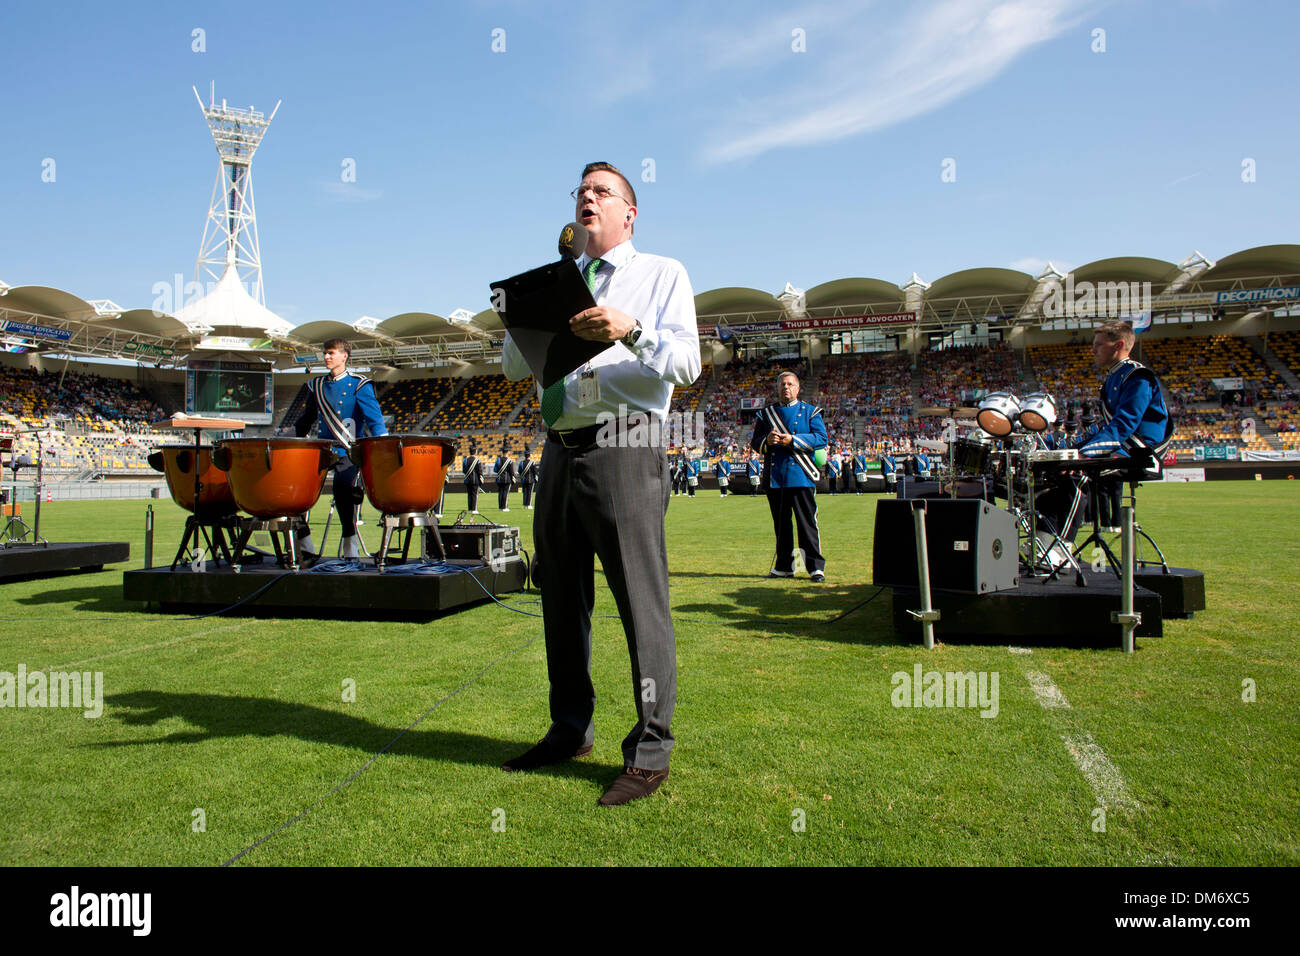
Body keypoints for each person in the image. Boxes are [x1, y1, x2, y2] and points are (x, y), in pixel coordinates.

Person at [499, 161, 700, 806]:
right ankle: (569, 729)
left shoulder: (661, 274)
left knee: (640, 600)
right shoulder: (557, 280)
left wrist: (629, 330)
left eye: (601, 191)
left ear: (628, 212)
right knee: (560, 598)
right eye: (581, 192)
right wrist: (522, 318)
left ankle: (649, 750)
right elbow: (512, 369)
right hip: (557, 445)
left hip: (627, 440)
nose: (588, 198)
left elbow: (688, 364)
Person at [1034, 320, 1174, 562]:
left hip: (1139, 452)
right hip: (1122, 447)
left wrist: (1082, 456)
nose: (1093, 350)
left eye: (1099, 345)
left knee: (1077, 474)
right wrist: (1069, 450)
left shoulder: (1138, 376)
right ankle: (1044, 539)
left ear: (1118, 345)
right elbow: (1110, 428)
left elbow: (1123, 427)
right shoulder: (1114, 378)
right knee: (1054, 472)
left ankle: (1058, 549)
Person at [294, 338, 386, 559]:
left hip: (349, 450)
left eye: (331, 353)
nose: (326, 357)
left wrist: (384, 445)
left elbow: (374, 420)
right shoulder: (316, 385)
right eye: (325, 353)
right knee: (293, 491)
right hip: (323, 449)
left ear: (344, 356)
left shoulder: (359, 384)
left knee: (343, 489)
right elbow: (304, 422)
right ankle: (304, 544)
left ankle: (349, 543)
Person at [750, 370, 827, 582]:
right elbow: (755, 442)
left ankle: (813, 567)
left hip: (801, 476)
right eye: (783, 384)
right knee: (782, 525)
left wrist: (792, 440)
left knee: (806, 524)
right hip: (775, 478)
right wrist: (769, 440)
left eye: (790, 384)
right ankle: (785, 566)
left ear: (798, 388)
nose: (786, 388)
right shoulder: (766, 414)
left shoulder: (811, 412)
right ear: (777, 388)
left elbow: (821, 439)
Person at [462, 446, 484, 514]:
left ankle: (470, 509)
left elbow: (464, 471)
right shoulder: (477, 460)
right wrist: (481, 479)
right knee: (475, 495)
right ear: (475, 452)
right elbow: (479, 471)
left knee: (469, 494)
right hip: (475, 480)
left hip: (468, 480)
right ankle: (474, 509)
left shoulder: (465, 460)